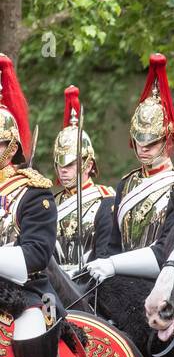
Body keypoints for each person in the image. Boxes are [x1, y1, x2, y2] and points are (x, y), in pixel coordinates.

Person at [0, 55, 66, 357]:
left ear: (8, 146)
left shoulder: (34, 192)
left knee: (26, 332)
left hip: (23, 295)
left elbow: (36, 256)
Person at [85, 54, 174, 284]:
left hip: (162, 286)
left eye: (151, 143)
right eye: (139, 141)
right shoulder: (126, 184)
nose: (143, 149)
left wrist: (113, 265)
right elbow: (113, 246)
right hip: (118, 278)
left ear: (166, 139)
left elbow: (167, 253)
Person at [50, 85, 112, 268]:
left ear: (89, 164)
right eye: (59, 164)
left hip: (90, 286)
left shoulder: (105, 200)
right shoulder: (53, 203)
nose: (63, 170)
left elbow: (104, 255)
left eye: (69, 164)